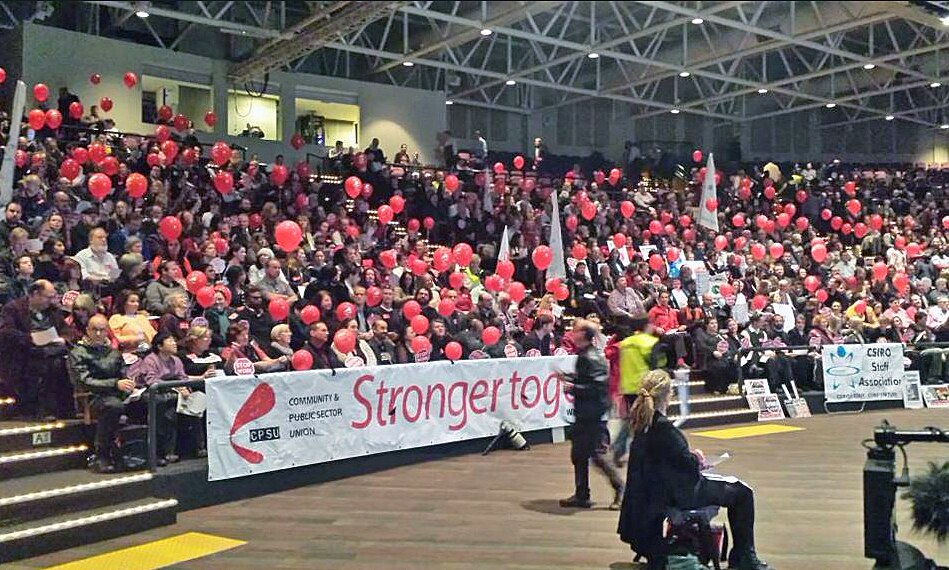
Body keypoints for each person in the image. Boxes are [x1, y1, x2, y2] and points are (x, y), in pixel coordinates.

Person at [618, 370, 770, 570]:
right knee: (742, 493)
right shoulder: (664, 429)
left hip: (655, 493)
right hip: (679, 492)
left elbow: (670, 459)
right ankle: (744, 556)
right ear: (668, 395)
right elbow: (686, 465)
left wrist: (688, 457)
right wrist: (696, 458)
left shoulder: (642, 425)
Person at [558, 319, 624, 510]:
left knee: (596, 455)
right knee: (579, 454)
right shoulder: (587, 355)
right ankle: (581, 494)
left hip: (592, 415)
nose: (572, 333)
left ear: (583, 335)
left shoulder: (590, 357)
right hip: (588, 413)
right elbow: (592, 380)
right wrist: (571, 379)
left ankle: (620, 488)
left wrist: (573, 387)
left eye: (576, 330)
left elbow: (597, 386)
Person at [67, 315, 134, 472]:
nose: (98, 334)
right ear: (87, 331)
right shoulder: (78, 352)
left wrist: (129, 385)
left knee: (149, 400)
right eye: (94, 330)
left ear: (107, 332)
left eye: (102, 330)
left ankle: (147, 452)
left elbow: (123, 374)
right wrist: (115, 384)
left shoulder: (114, 352)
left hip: (117, 393)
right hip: (92, 396)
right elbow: (83, 381)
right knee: (113, 406)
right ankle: (102, 454)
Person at [0, 279, 72, 419]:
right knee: (49, 365)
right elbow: (6, 333)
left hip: (52, 349)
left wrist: (63, 339)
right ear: (35, 294)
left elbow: (67, 331)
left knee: (62, 362)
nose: (51, 301)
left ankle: (62, 409)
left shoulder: (53, 310)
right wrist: (32, 338)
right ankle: (42, 409)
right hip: (24, 352)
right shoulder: (14, 308)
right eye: (48, 297)